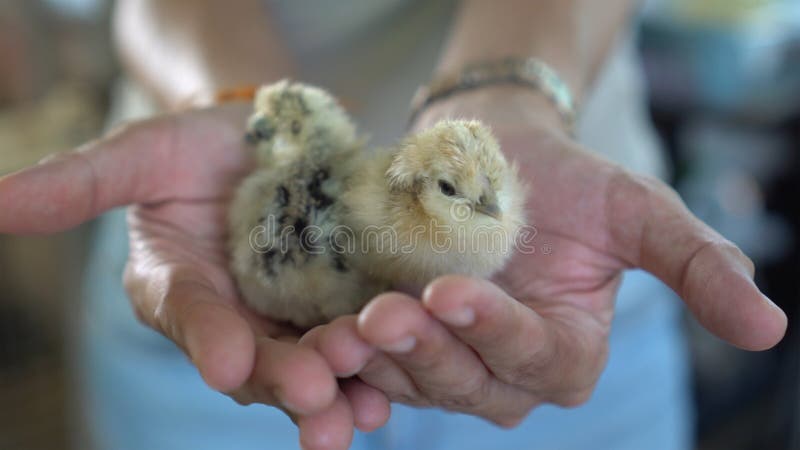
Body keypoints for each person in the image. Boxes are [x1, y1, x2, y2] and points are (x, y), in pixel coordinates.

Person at [0, 1, 787, 449]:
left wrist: (510, 91)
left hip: (574, 275)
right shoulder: (350, 202)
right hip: (198, 282)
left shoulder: (488, 209)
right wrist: (238, 103)